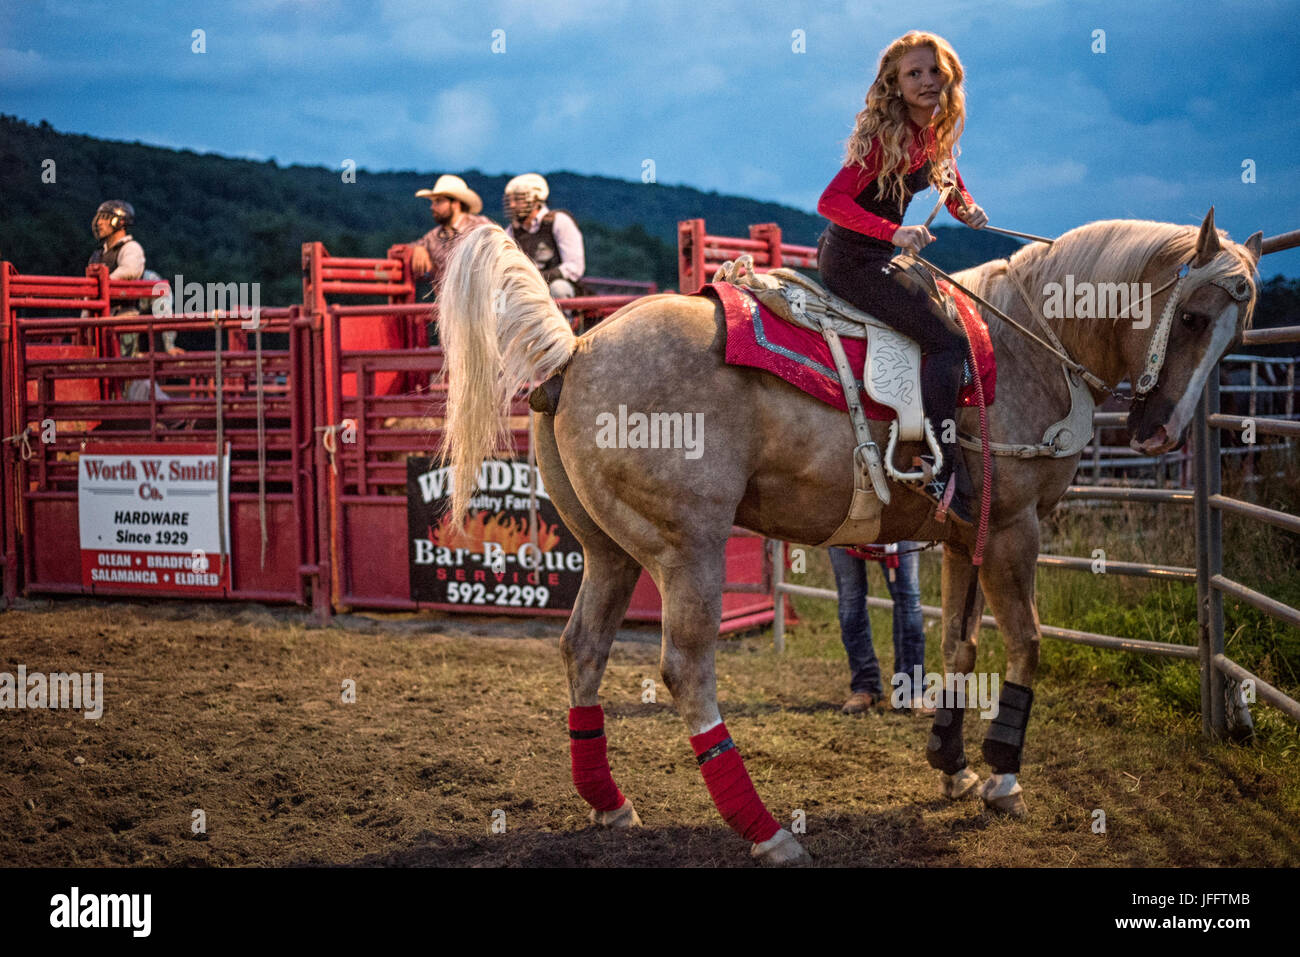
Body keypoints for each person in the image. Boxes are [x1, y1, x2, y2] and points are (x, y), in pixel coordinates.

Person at [816, 31, 988, 520]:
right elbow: (830, 202)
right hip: (853, 262)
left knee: (953, 328)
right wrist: (894, 232)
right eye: (914, 74)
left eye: (935, 71)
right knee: (948, 342)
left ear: (950, 75)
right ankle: (940, 465)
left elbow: (950, 180)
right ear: (895, 84)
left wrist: (968, 208)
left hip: (885, 257)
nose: (927, 81)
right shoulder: (879, 140)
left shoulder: (934, 132)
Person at [87, 200, 179, 400]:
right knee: (114, 374)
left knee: (127, 374)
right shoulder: (98, 255)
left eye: (104, 218)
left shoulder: (131, 248)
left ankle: (169, 414)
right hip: (103, 321)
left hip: (124, 319)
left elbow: (130, 271)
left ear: (118, 221)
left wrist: (103, 283)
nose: (99, 223)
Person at [831, 543, 932, 715]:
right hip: (843, 524)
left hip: (899, 525)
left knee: (908, 600)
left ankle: (911, 690)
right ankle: (865, 686)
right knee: (850, 603)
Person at [503, 173, 586, 298]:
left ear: (536, 201)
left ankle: (564, 318)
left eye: (518, 199)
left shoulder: (559, 221)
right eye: (510, 200)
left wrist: (541, 277)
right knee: (498, 294)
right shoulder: (511, 231)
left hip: (555, 284)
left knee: (558, 289)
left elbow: (574, 266)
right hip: (524, 287)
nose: (512, 205)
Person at [409, 175, 493, 285]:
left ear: (455, 204)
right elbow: (408, 248)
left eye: (438, 201)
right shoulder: (434, 235)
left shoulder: (481, 227)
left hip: (480, 298)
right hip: (448, 301)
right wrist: (418, 248)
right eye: (433, 202)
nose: (432, 207)